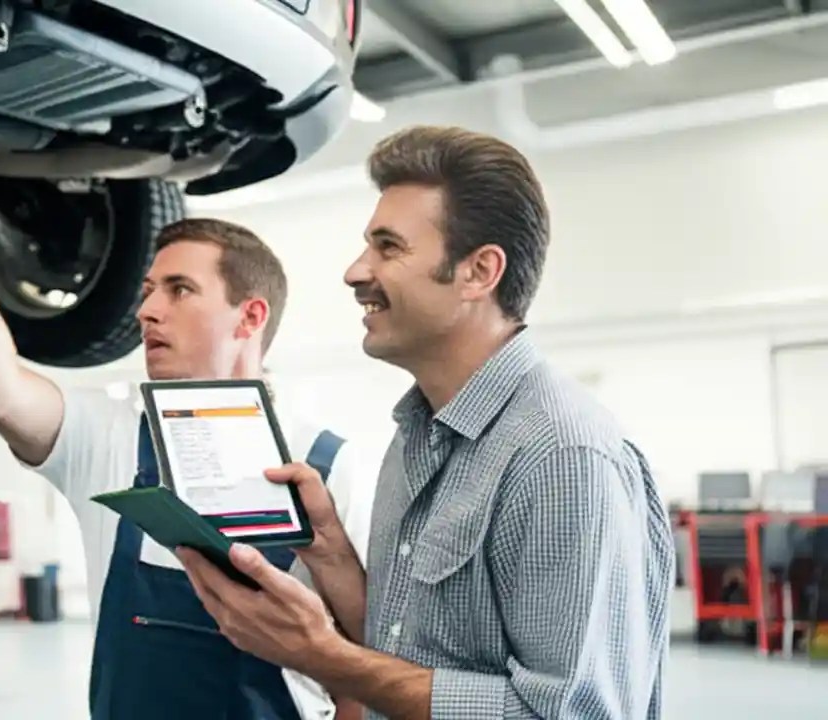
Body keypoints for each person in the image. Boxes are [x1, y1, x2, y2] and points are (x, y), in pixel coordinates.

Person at [0, 96, 373, 720]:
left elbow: (363, 662)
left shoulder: (325, 465)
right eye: (146, 291)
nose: (146, 311)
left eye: (180, 290)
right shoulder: (108, 435)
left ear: (250, 316)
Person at [175, 125, 676, 720]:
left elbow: (573, 714)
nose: (355, 271)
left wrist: (324, 655)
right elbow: (407, 648)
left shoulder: (562, 456)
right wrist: (332, 554)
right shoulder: (416, 433)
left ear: (479, 272)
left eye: (388, 247)